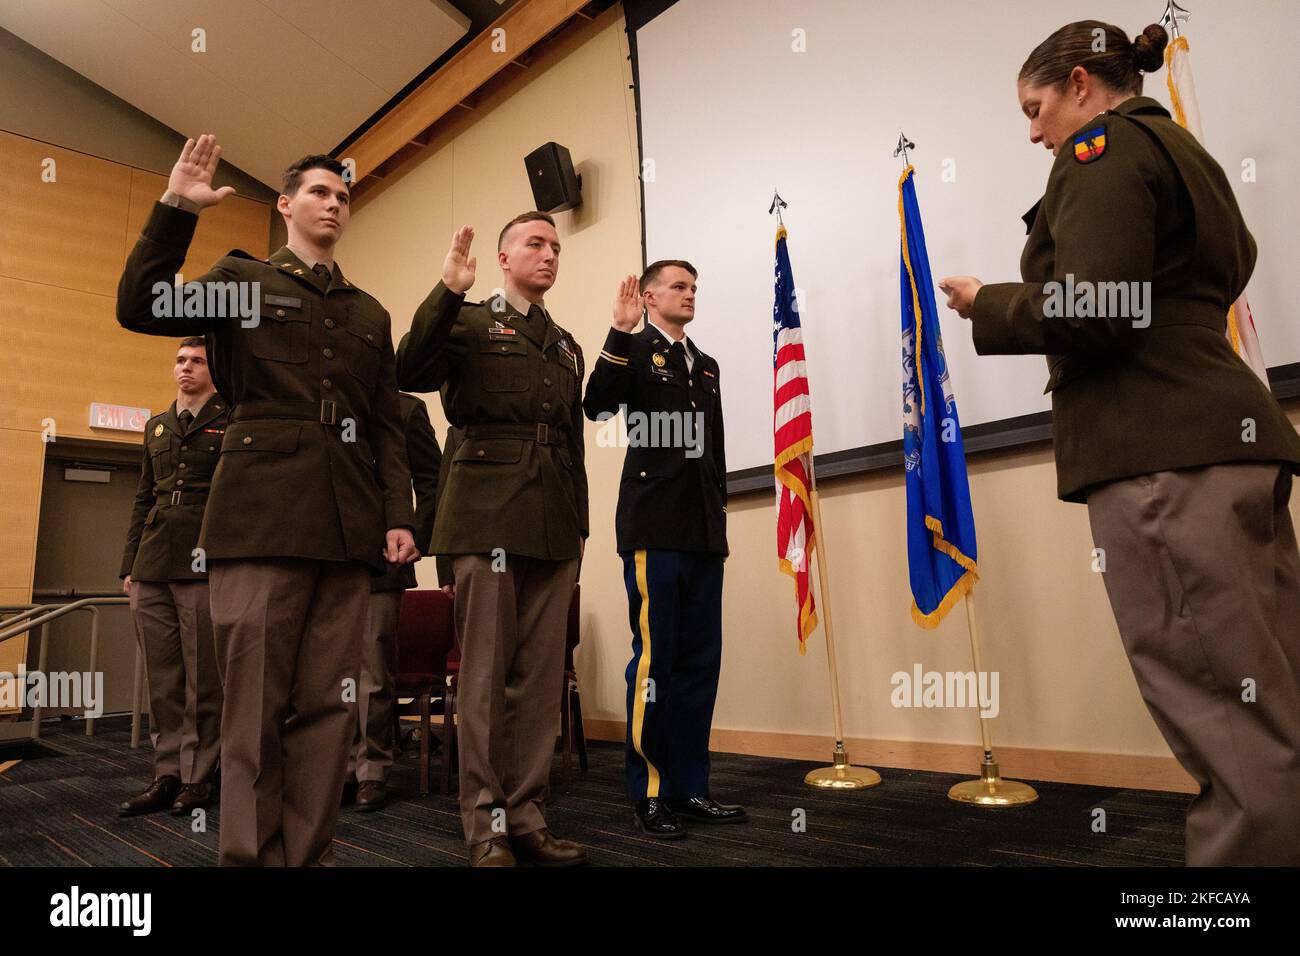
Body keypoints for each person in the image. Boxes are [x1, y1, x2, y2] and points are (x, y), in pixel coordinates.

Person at [939, 21, 1300, 866]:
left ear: (1078, 84)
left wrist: (988, 302)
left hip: (1158, 447)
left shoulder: (1100, 150)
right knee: (1272, 691)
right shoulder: (1186, 154)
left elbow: (1102, 307)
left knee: (1218, 701)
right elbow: (1228, 269)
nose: (1035, 132)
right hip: (1229, 436)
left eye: (1036, 109)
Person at [116, 136, 418, 866]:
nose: (334, 204)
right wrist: (176, 209)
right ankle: (248, 858)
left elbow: (385, 422)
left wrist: (400, 513)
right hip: (257, 519)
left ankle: (308, 855)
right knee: (252, 713)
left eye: (344, 196)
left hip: (345, 530)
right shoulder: (243, 280)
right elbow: (140, 305)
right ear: (286, 205)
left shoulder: (369, 312)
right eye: (320, 192)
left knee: (326, 710)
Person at [396, 214, 589, 867]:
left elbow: (571, 443)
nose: (548, 254)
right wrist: (448, 289)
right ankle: (485, 823)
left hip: (552, 520)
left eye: (556, 246)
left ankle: (528, 814)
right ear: (504, 257)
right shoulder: (470, 322)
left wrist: (579, 530)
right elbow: (410, 369)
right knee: (482, 678)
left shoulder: (565, 345)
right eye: (535, 243)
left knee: (539, 683)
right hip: (483, 517)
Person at [582, 261, 742, 838]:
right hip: (655, 528)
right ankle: (650, 791)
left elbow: (715, 451)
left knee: (701, 663)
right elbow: (598, 406)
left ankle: (690, 787)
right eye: (679, 286)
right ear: (648, 297)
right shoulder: (636, 348)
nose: (690, 294)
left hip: (702, 531)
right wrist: (619, 333)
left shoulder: (706, 365)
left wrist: (720, 514)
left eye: (695, 287)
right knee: (655, 664)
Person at [119, 337, 226, 818]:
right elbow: (144, 497)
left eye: (197, 361)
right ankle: (167, 774)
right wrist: (128, 565)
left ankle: (200, 776)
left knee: (204, 676)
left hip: (203, 561)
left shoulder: (231, 419)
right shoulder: (156, 426)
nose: (186, 368)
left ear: (213, 368)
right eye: (180, 360)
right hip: (152, 563)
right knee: (163, 679)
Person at [345, 392, 442, 812]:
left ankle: (370, 772)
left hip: (383, 562)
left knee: (372, 675)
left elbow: (432, 480)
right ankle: (336, 768)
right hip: (327, 557)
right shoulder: (327, 403)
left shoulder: (406, 409)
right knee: (323, 676)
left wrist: (415, 534)